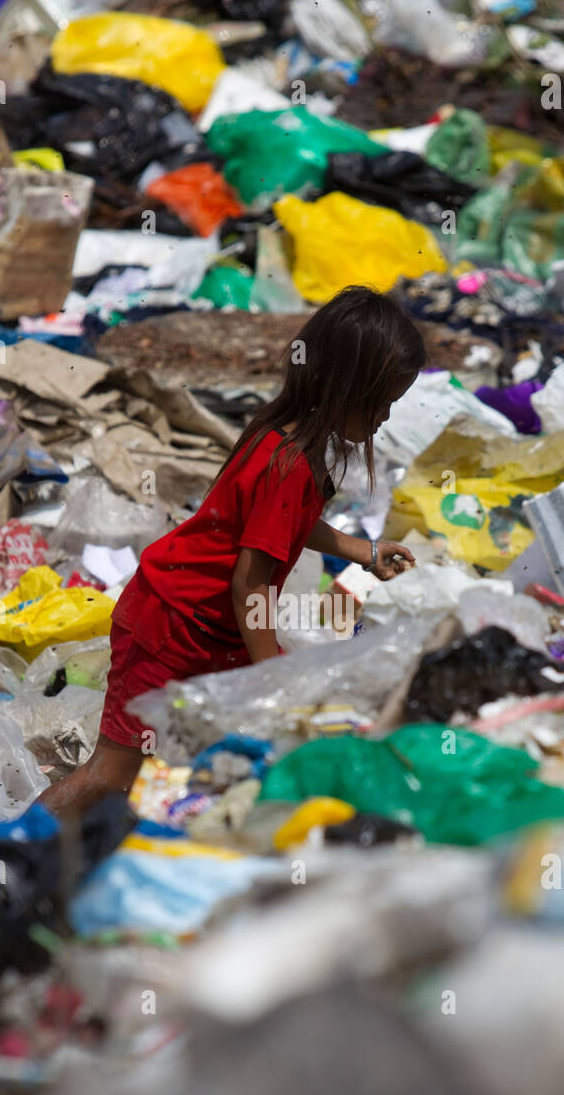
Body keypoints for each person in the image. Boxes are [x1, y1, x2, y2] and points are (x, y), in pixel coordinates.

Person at [38, 285, 426, 816]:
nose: (384, 417)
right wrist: (272, 676)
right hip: (172, 624)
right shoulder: (288, 461)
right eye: (379, 401)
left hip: (211, 629)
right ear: (344, 386)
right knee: (112, 772)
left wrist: (363, 550)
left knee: (198, 764)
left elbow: (281, 526)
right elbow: (250, 580)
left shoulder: (285, 435)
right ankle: (6, 853)